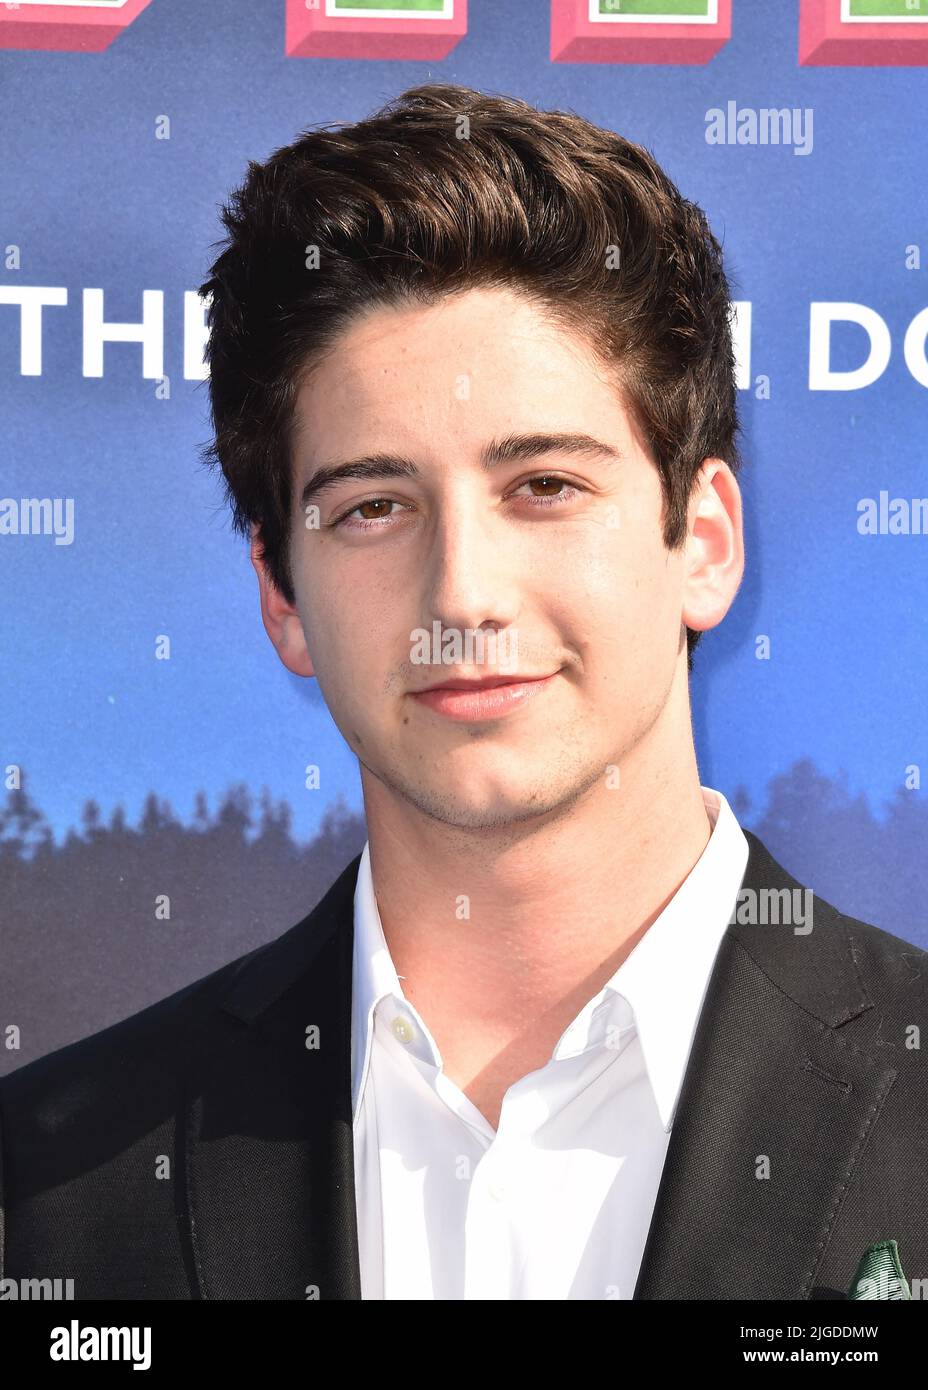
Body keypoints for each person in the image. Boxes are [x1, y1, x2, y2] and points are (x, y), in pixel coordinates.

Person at [2, 83, 925, 1302]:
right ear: (282, 596)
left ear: (701, 538)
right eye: (374, 506)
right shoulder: (46, 1195)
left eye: (542, 484)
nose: (464, 593)